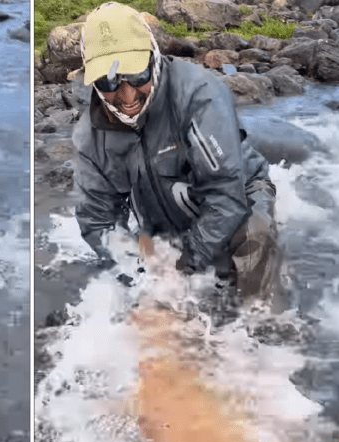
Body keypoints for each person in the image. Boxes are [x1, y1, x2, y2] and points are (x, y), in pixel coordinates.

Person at [72, 2, 282, 300]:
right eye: (109, 81)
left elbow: (225, 194)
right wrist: (134, 276)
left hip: (237, 193)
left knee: (251, 268)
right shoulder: (90, 136)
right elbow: (97, 220)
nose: (128, 96)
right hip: (162, 211)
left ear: (154, 57)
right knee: (139, 301)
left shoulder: (199, 95)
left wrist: (182, 270)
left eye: (137, 75)